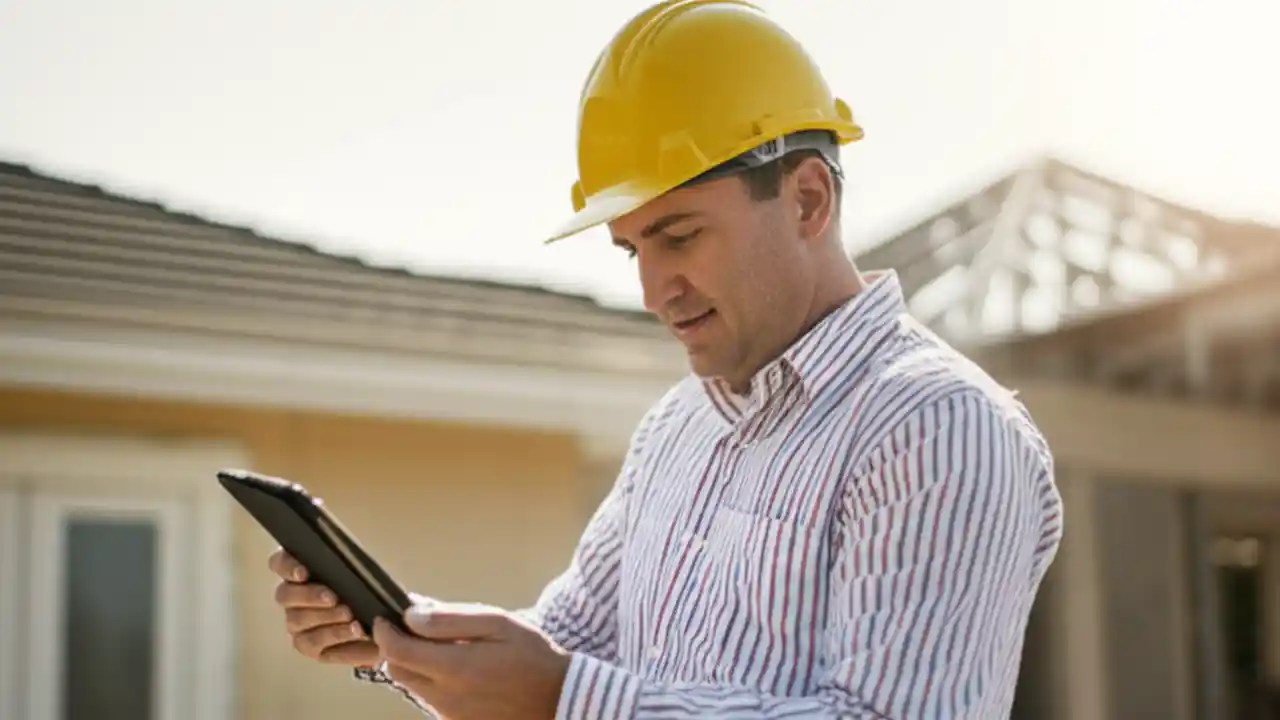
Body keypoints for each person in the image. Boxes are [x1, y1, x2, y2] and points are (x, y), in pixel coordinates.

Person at [268, 1, 1064, 718]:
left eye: (680, 236)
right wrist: (401, 636)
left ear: (809, 200)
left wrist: (566, 700)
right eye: (632, 250)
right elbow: (568, 641)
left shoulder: (941, 430)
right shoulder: (678, 428)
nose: (655, 290)